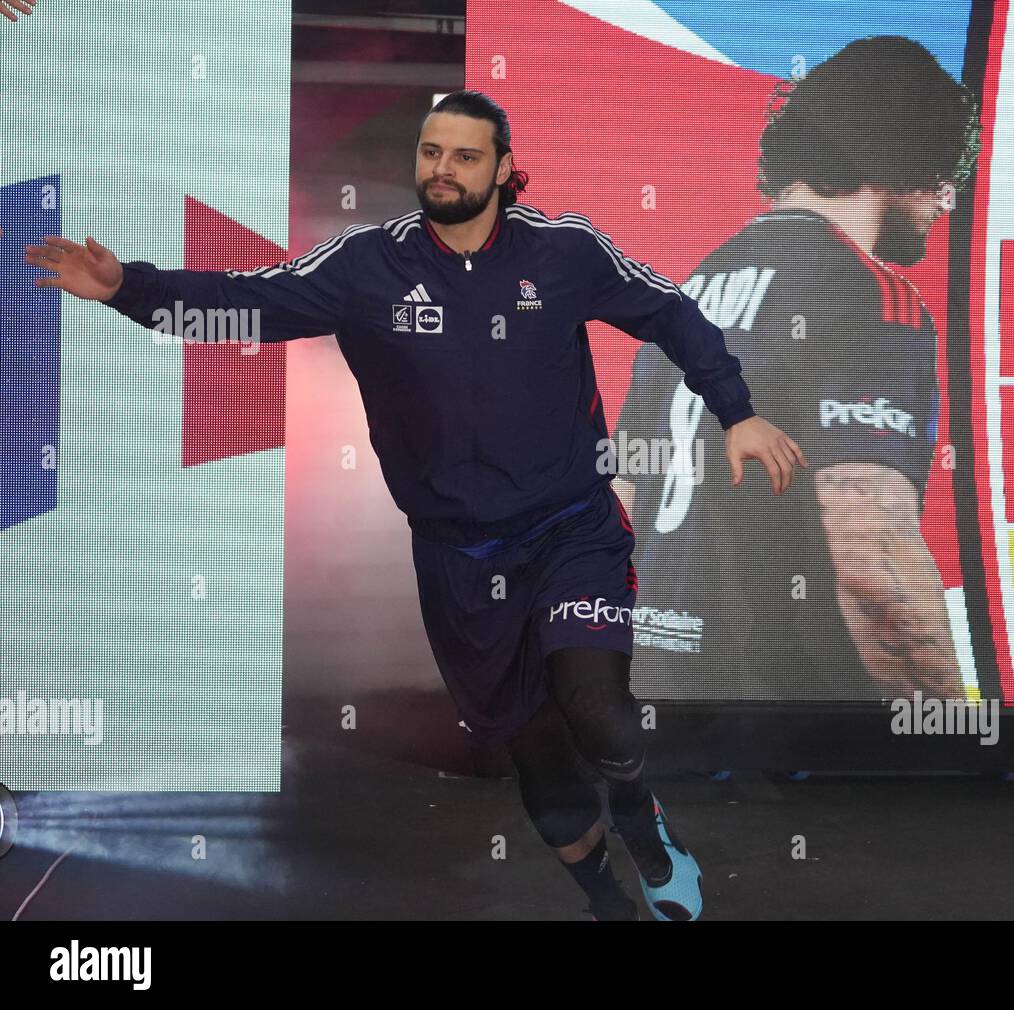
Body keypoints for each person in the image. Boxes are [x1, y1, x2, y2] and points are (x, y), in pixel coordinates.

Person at [13, 89, 807, 921]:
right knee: (539, 764)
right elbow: (247, 300)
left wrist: (737, 410)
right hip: (457, 559)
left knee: (597, 708)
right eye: (431, 152)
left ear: (503, 169)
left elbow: (672, 311)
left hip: (570, 529)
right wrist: (123, 289)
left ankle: (645, 831)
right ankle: (605, 900)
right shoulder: (364, 265)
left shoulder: (564, 250)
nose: (443, 169)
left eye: (465, 155)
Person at [615, 36, 981, 704]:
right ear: (902, 149)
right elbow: (873, 565)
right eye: (943, 167)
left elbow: (616, 516)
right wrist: (954, 734)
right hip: (799, 732)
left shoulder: (690, 292)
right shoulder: (868, 293)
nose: (947, 197)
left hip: (666, 714)